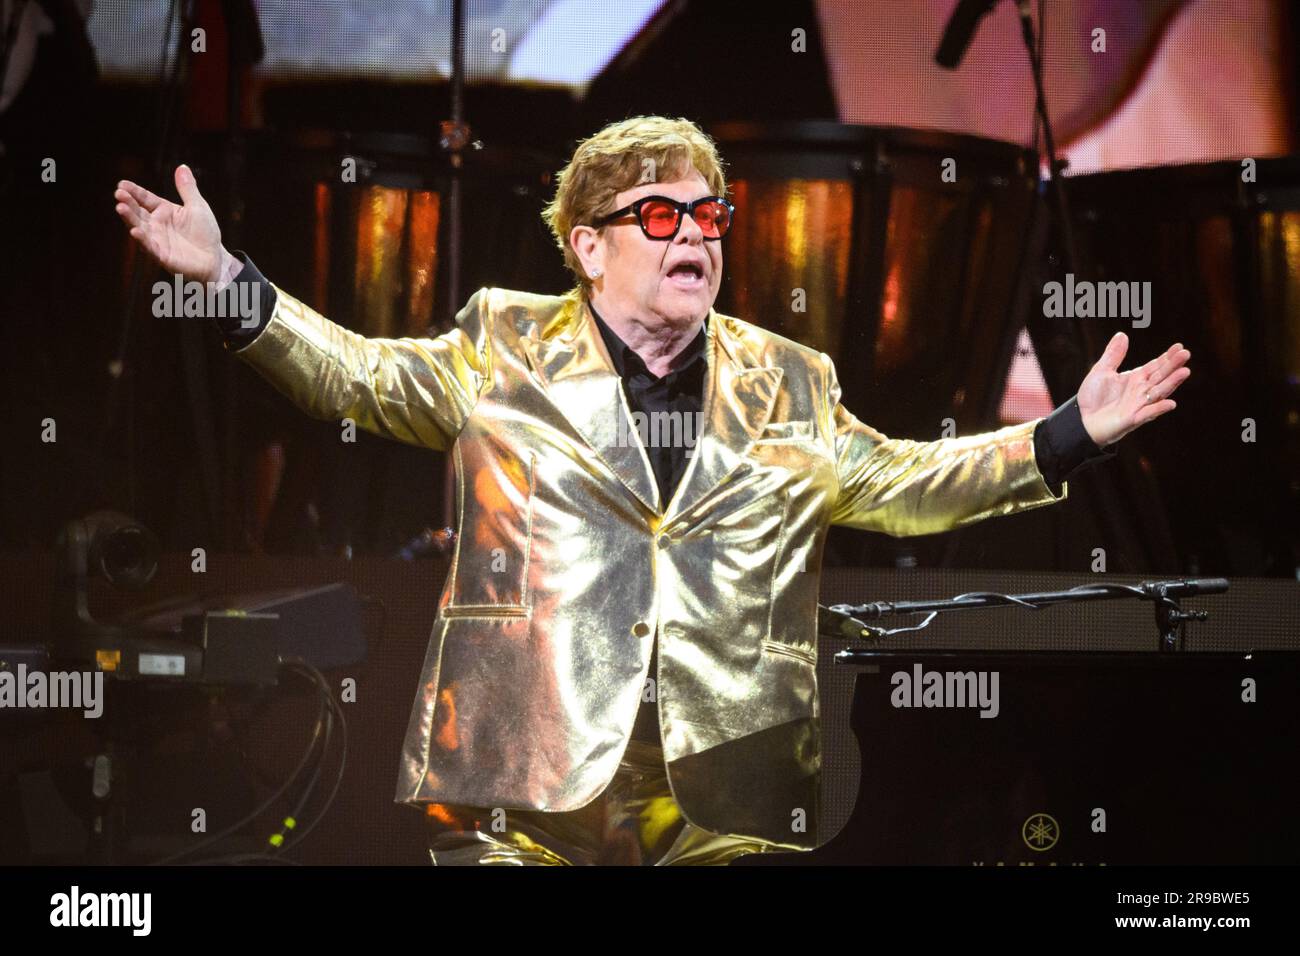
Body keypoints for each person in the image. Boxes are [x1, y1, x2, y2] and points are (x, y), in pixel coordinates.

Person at [113, 115, 1191, 865]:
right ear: (588, 245)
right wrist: (227, 281)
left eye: (710, 216)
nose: (696, 236)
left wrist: (1065, 435)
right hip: (525, 790)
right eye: (660, 216)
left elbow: (905, 481)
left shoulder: (789, 379)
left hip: (727, 795)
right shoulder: (503, 343)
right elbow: (359, 373)